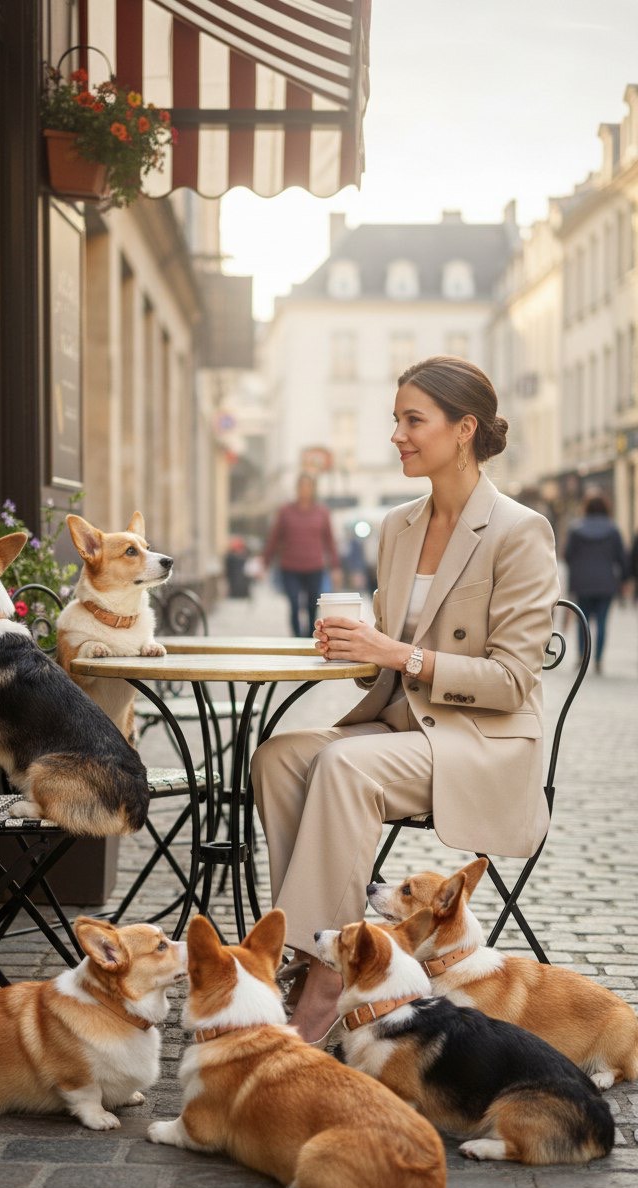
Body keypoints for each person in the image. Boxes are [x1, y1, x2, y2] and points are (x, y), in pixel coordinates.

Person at [251, 356, 560, 1046]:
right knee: (277, 757)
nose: (397, 434)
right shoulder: (397, 526)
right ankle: (309, 955)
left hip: (480, 743)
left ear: (463, 429)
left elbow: (512, 679)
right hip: (401, 728)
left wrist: (396, 653)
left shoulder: (519, 532)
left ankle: (329, 984)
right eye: (397, 420)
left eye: (412, 420)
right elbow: (387, 664)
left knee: (344, 769)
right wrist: (360, 652)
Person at [262, 473, 340, 637]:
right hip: (290, 567)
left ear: (312, 489)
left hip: (314, 567)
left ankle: (309, 637)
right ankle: (296, 637)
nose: (304, 490)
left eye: (307, 486)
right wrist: (264, 562)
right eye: (301, 486)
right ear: (297, 489)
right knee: (294, 604)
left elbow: (330, 541)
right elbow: (274, 538)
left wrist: (335, 567)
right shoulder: (285, 511)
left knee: (312, 604)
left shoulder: (322, 512)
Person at [564, 490, 628, 673]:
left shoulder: (576, 529)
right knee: (601, 622)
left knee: (582, 621)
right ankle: (598, 660)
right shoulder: (613, 529)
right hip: (606, 583)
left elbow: (567, 555)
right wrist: (624, 579)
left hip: (582, 582)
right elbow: (621, 557)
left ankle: (581, 657)